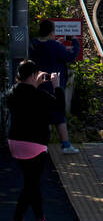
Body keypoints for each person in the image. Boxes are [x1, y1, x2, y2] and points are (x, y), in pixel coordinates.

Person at [7, 59, 56, 221]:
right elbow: (58, 106)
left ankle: (40, 218)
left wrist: (34, 84)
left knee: (32, 182)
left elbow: (24, 94)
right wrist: (55, 85)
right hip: (35, 144)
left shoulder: (12, 92)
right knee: (31, 184)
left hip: (14, 142)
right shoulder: (39, 96)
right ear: (34, 75)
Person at [29, 20, 78, 153]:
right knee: (59, 115)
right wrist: (74, 41)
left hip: (38, 83)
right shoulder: (54, 45)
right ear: (52, 32)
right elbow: (71, 56)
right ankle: (66, 145)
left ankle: (41, 145)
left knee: (41, 116)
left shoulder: (33, 44)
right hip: (54, 84)